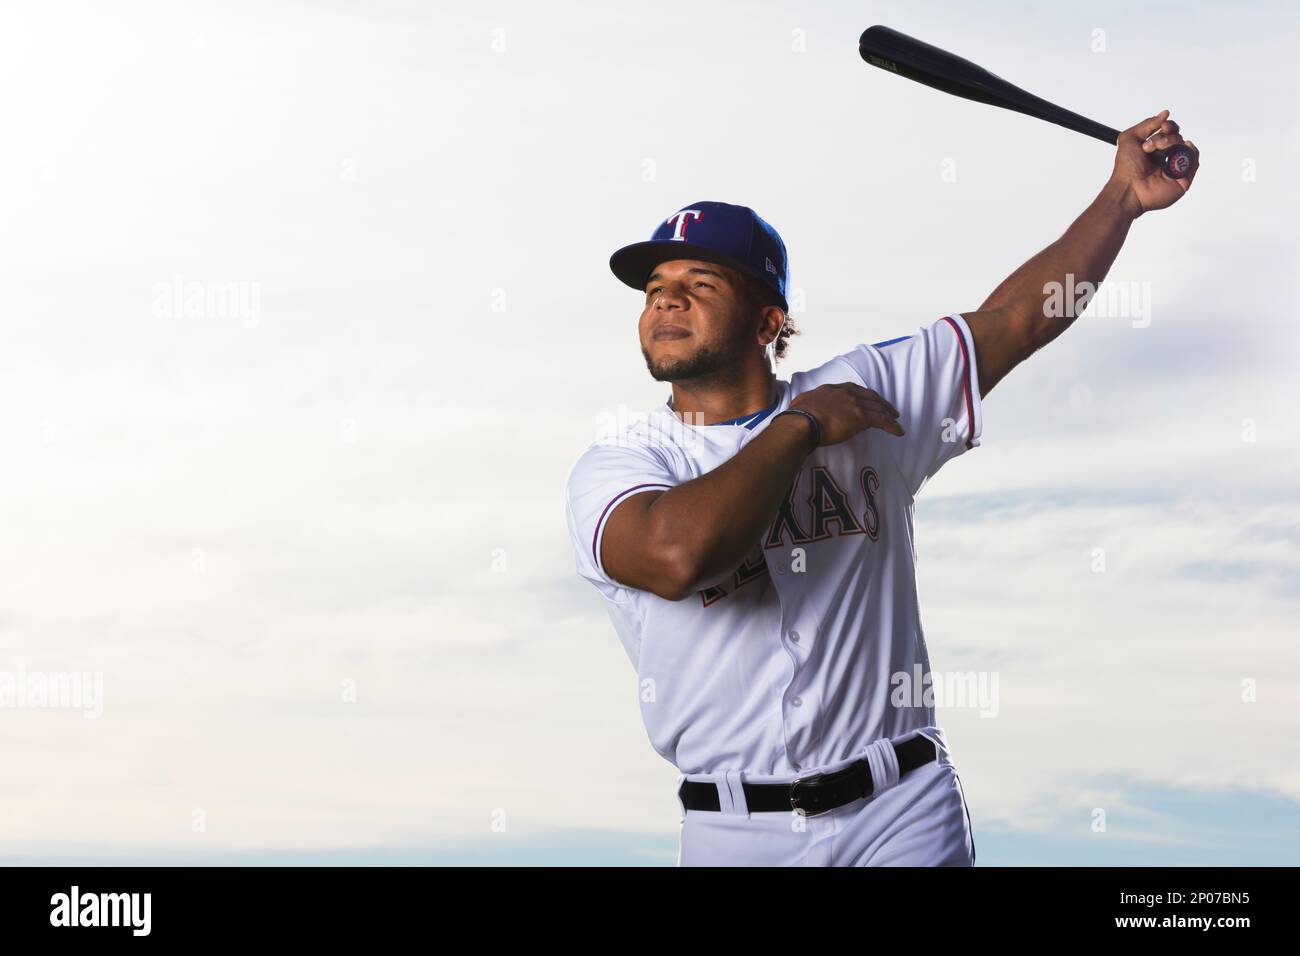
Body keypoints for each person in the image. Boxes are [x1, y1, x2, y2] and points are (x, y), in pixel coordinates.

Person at [563, 112, 1198, 865]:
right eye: (656, 289)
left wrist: (1121, 199)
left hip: (900, 806)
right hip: (733, 828)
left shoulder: (862, 393)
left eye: (699, 284)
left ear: (769, 321)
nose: (666, 301)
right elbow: (676, 555)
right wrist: (799, 428)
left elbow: (1018, 319)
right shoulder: (623, 462)